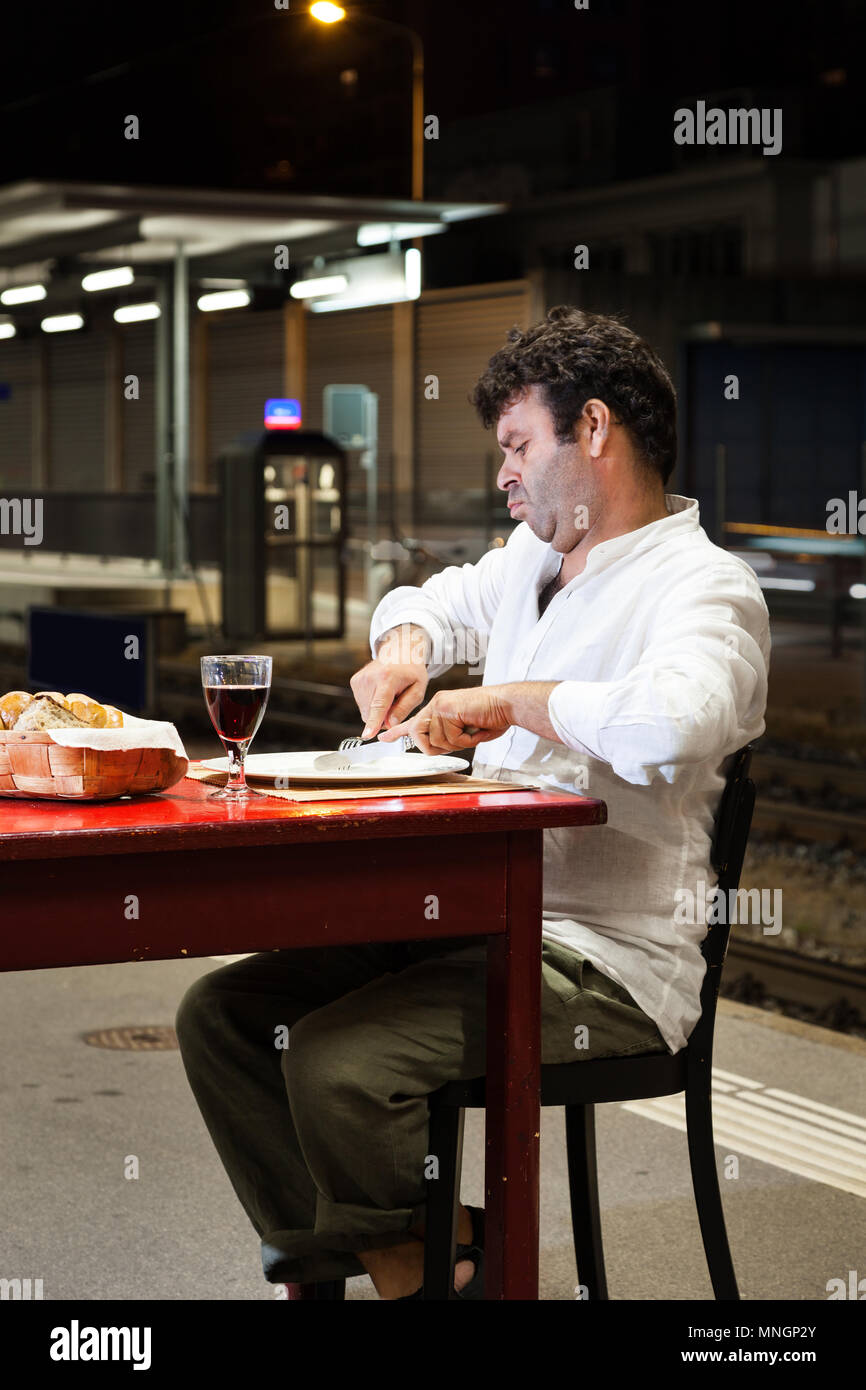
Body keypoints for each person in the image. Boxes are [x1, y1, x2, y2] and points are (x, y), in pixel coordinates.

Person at [175, 306, 770, 1300]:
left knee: (334, 1064)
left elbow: (677, 719)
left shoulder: (704, 588)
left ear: (590, 429)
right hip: (476, 921)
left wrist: (506, 701)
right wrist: (402, 650)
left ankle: (422, 1271)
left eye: (515, 444)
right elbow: (426, 600)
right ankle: (424, 1253)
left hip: (602, 960)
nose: (502, 473)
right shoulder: (531, 563)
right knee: (225, 1015)